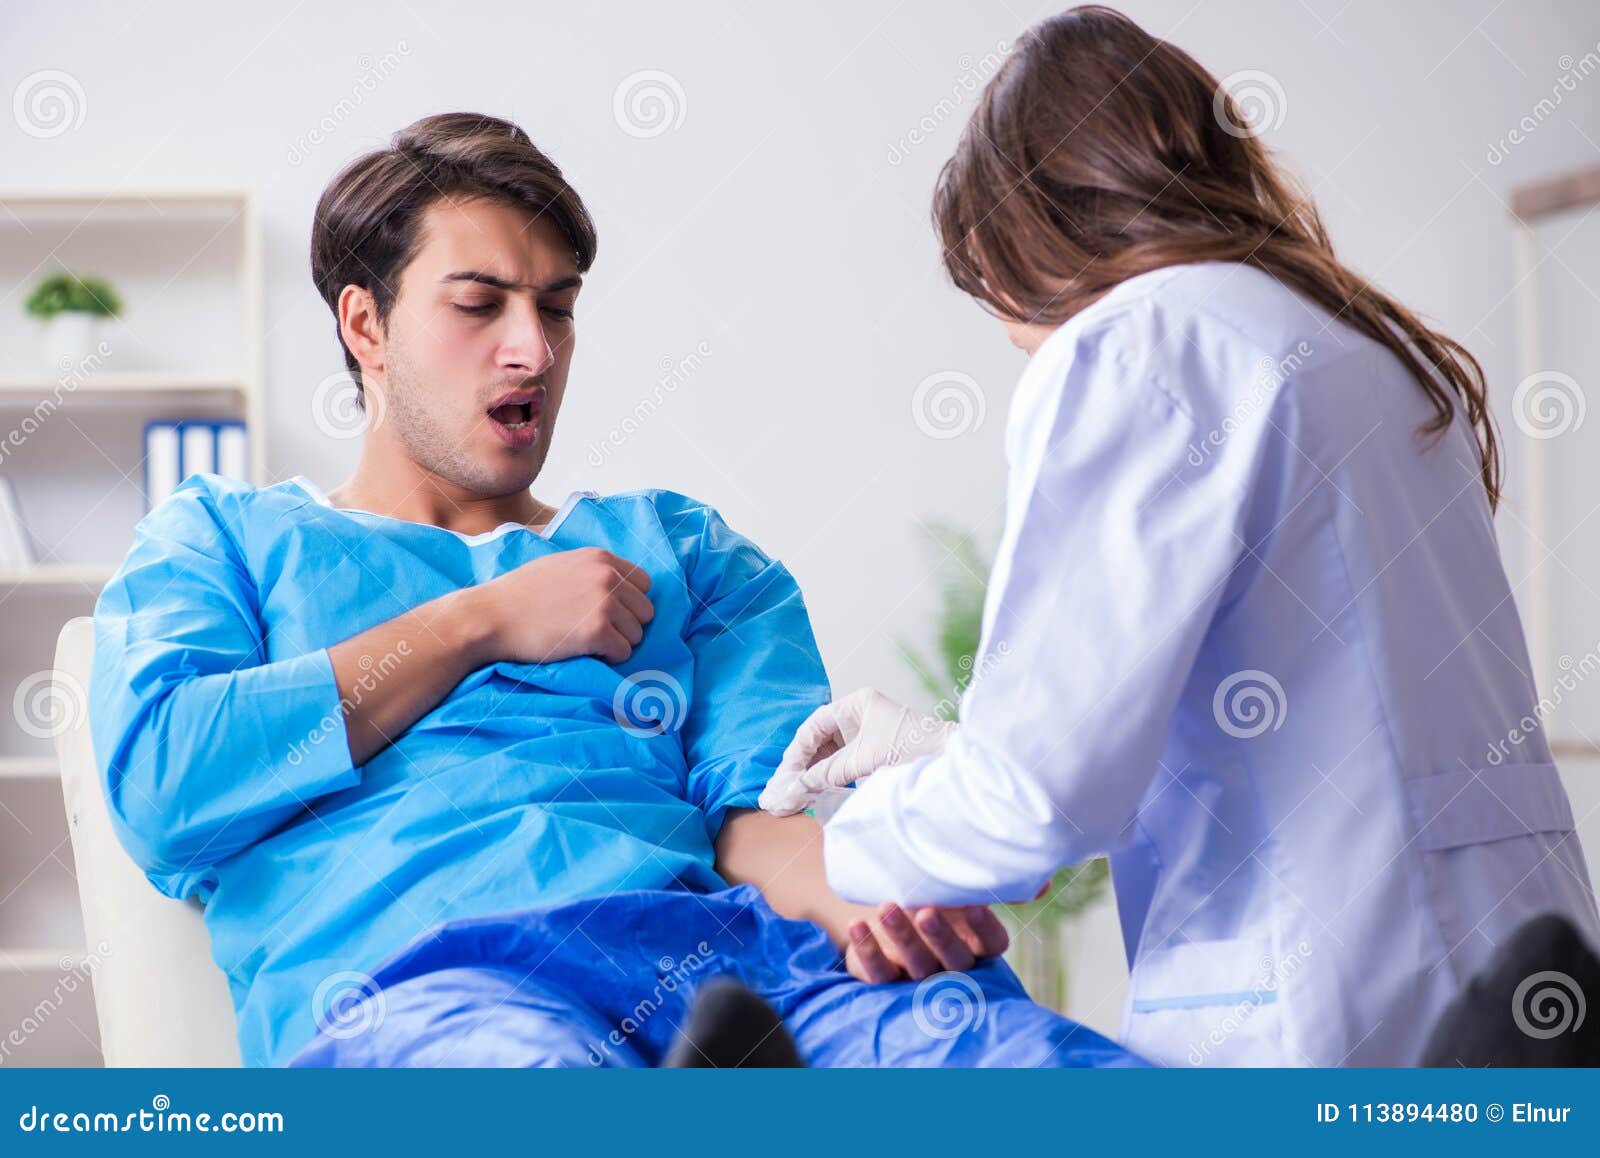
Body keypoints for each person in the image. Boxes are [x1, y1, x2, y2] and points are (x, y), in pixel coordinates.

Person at [91, 112, 1140, 1070]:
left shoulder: (681, 549)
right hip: (430, 995)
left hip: (745, 976)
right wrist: (481, 622)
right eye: (479, 305)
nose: (533, 349)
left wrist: (871, 903)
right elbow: (165, 786)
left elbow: (757, 816)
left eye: (557, 308)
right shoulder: (222, 539)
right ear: (365, 325)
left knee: (1025, 1065)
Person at [761, 6, 1600, 1066]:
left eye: (1012, 319)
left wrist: (837, 848)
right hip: (1523, 977)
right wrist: (947, 756)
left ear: (1027, 241)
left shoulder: (1135, 345)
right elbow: (1301, 710)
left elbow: (1038, 804)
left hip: (1329, 1013)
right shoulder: (1366, 346)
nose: (1032, 353)